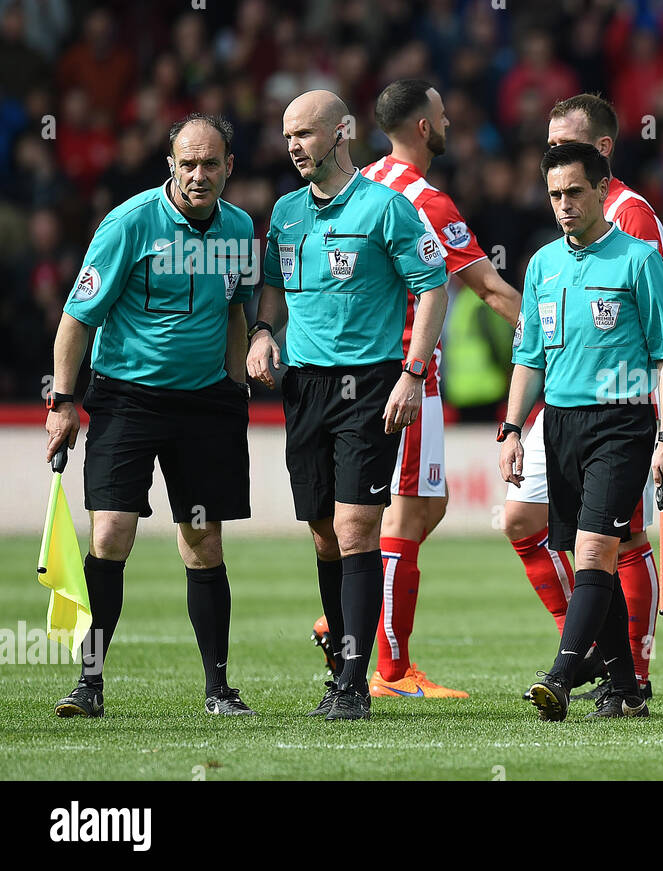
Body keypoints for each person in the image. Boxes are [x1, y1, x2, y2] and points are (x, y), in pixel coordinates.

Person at [304, 78, 521, 701]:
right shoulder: (426, 199)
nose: (450, 118)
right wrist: (553, 335)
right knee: (402, 511)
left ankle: (345, 612)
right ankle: (391, 668)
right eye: (445, 111)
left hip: (353, 368)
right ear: (425, 127)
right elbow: (490, 290)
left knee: (427, 504)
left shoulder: (362, 184)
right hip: (404, 373)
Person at [247, 90, 450, 721]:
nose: (295, 147)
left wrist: (413, 373)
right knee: (322, 533)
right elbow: (274, 291)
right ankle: (342, 659)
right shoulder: (284, 214)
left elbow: (434, 285)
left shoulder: (388, 209)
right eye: (288, 137)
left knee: (357, 526)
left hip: (368, 383)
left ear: (343, 133)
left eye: (305, 134)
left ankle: (355, 682)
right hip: (304, 386)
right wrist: (260, 332)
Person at [45, 113, 257, 717]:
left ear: (228, 168)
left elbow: (238, 312)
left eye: (210, 164)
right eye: (187, 163)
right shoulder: (128, 223)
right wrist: (62, 403)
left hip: (206, 404)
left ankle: (219, 689)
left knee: (203, 541)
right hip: (127, 400)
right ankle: (89, 684)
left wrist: (238, 389)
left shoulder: (241, 228)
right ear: (170, 166)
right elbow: (77, 318)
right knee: (110, 534)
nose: (198, 175)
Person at [501, 143, 663, 721]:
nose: (564, 205)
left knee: (595, 550)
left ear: (603, 190)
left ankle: (561, 673)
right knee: (587, 556)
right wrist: (511, 429)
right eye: (555, 194)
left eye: (574, 192)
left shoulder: (637, 259)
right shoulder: (541, 265)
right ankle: (625, 688)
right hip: (559, 425)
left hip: (621, 423)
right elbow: (529, 357)